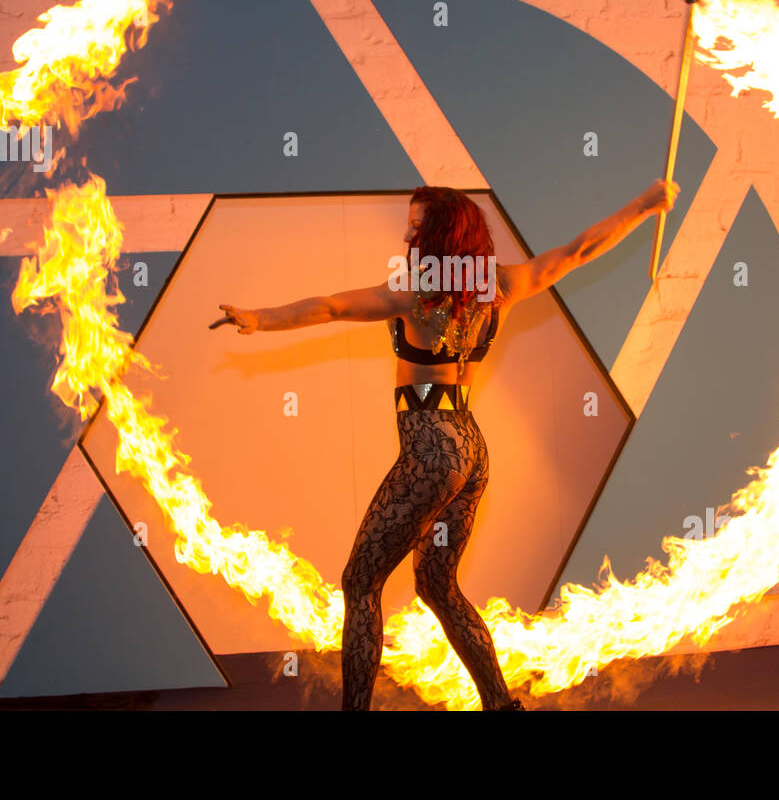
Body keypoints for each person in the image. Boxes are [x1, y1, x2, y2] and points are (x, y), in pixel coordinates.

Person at [210, 178, 680, 710]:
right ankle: (501, 706)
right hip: (470, 451)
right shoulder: (499, 285)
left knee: (360, 583)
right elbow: (578, 251)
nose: (408, 236)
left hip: (433, 448)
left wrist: (259, 318)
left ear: (443, 233)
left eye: (417, 227)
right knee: (437, 585)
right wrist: (644, 203)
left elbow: (332, 308)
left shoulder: (413, 292)